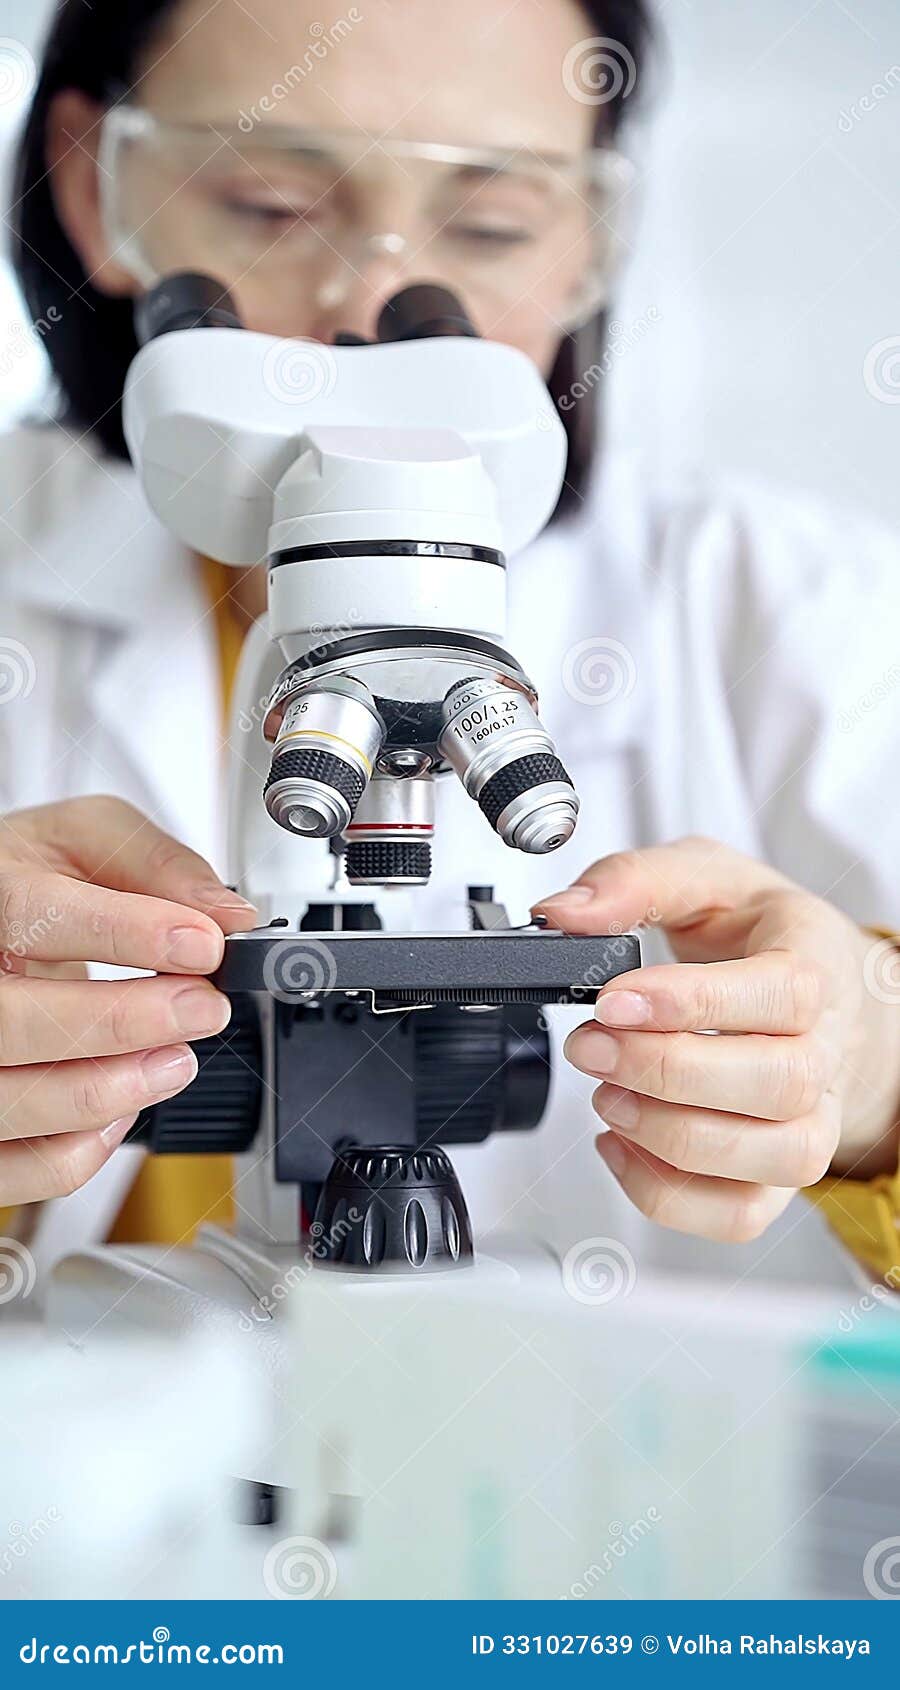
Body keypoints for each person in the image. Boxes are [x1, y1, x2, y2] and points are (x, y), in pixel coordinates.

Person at [3, 0, 899, 1286]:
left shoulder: (802, 610)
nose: (368, 303)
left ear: (589, 235)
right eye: (267, 201)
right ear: (100, 190)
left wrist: (877, 1073)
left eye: (488, 224)